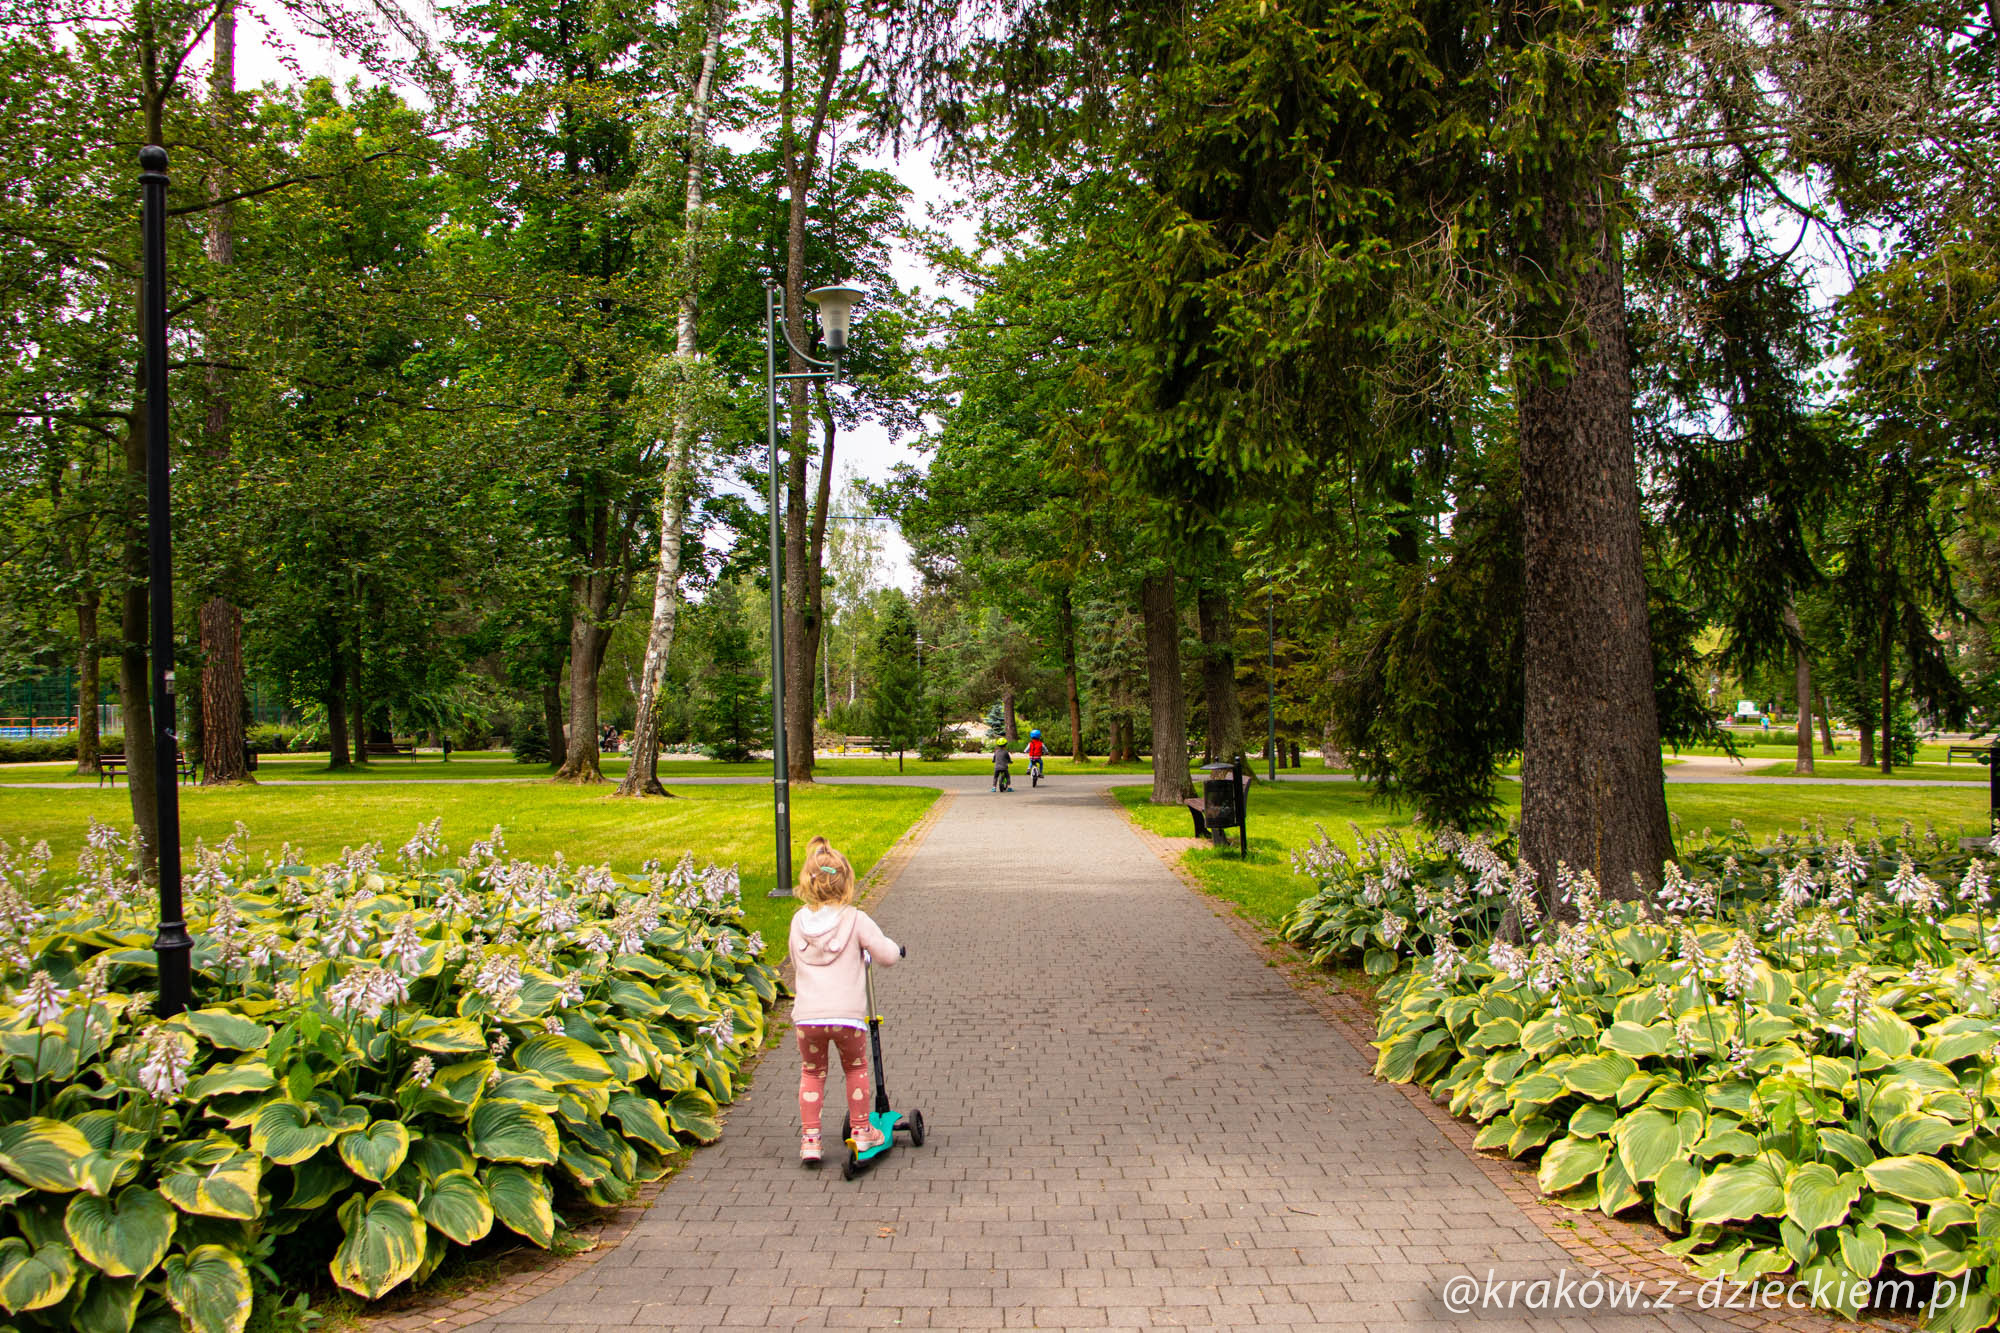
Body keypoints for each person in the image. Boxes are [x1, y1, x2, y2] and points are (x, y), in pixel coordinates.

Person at [788, 836, 903, 1165]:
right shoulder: (855, 919)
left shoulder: (799, 922)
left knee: (812, 1072)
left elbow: (795, 962)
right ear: (847, 882)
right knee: (855, 1068)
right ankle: (861, 1129)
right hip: (846, 1019)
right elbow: (885, 954)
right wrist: (896, 950)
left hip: (807, 1018)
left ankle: (810, 1140)